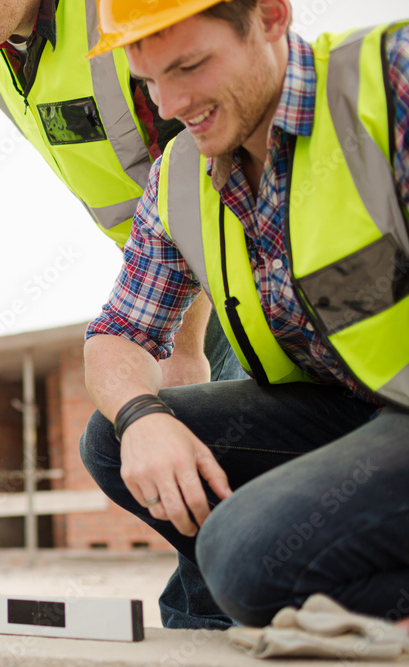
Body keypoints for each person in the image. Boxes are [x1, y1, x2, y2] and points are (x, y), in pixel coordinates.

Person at [79, 0, 409, 628]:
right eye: (148, 80)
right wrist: (142, 415)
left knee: (244, 564)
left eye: (190, 66)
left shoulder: (389, 79)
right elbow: (117, 334)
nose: (169, 104)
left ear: (273, 17)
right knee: (111, 434)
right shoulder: (180, 173)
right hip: (352, 414)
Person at [0, 0, 246, 628]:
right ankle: (217, 606)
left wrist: (181, 348)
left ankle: (210, 615)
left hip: (233, 251)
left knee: (218, 443)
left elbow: (200, 166)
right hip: (157, 264)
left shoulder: (117, 12)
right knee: (138, 438)